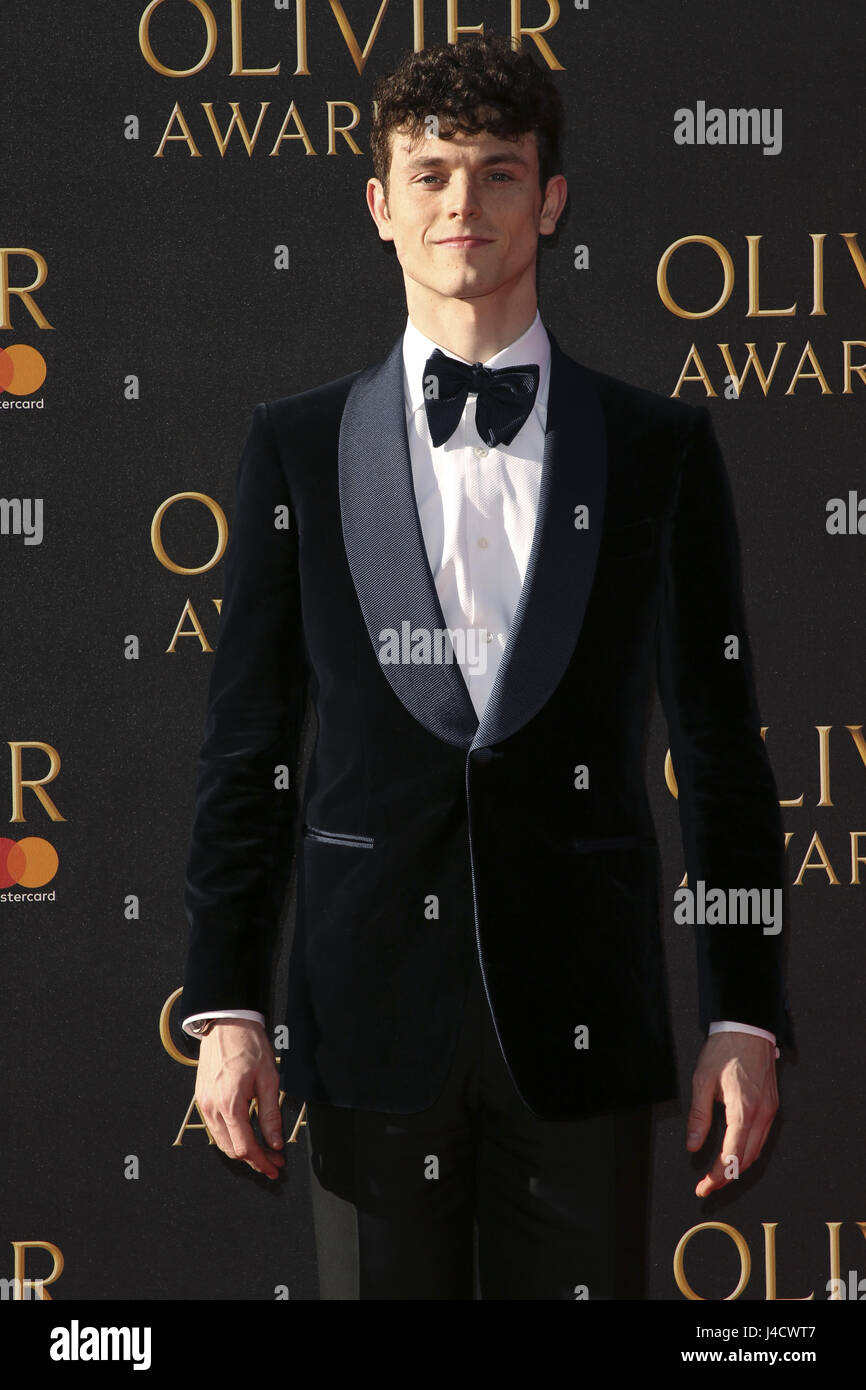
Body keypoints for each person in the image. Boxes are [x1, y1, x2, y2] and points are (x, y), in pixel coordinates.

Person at [179, 33, 792, 1300]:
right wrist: (225, 1005)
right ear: (380, 205)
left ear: (549, 200)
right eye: (432, 172)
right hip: (364, 1033)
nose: (464, 204)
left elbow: (721, 754)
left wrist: (740, 1015)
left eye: (499, 173)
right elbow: (249, 750)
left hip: (584, 1026)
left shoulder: (657, 447)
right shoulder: (294, 448)